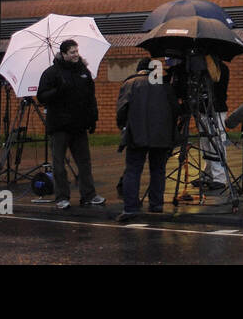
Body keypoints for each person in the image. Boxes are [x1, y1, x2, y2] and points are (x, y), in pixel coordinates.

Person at [36, 40, 104, 209]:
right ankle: (62, 197)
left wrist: (93, 118)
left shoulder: (84, 72)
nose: (75, 55)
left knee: (84, 162)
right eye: (72, 52)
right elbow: (42, 96)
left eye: (76, 51)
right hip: (59, 125)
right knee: (59, 163)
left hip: (79, 124)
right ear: (64, 54)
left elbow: (90, 97)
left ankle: (89, 195)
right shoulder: (51, 73)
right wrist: (58, 91)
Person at [115, 58, 179, 222]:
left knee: (133, 170)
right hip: (161, 136)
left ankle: (130, 208)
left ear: (139, 70)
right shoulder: (165, 86)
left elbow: (122, 110)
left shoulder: (131, 84)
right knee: (158, 170)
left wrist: (123, 126)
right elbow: (176, 110)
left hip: (137, 134)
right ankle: (156, 205)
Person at [199, 55, 230, 191]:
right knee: (205, 142)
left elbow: (219, 92)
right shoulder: (201, 69)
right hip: (203, 110)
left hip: (216, 111)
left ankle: (220, 177)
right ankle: (208, 173)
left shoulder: (221, 69)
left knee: (216, 142)